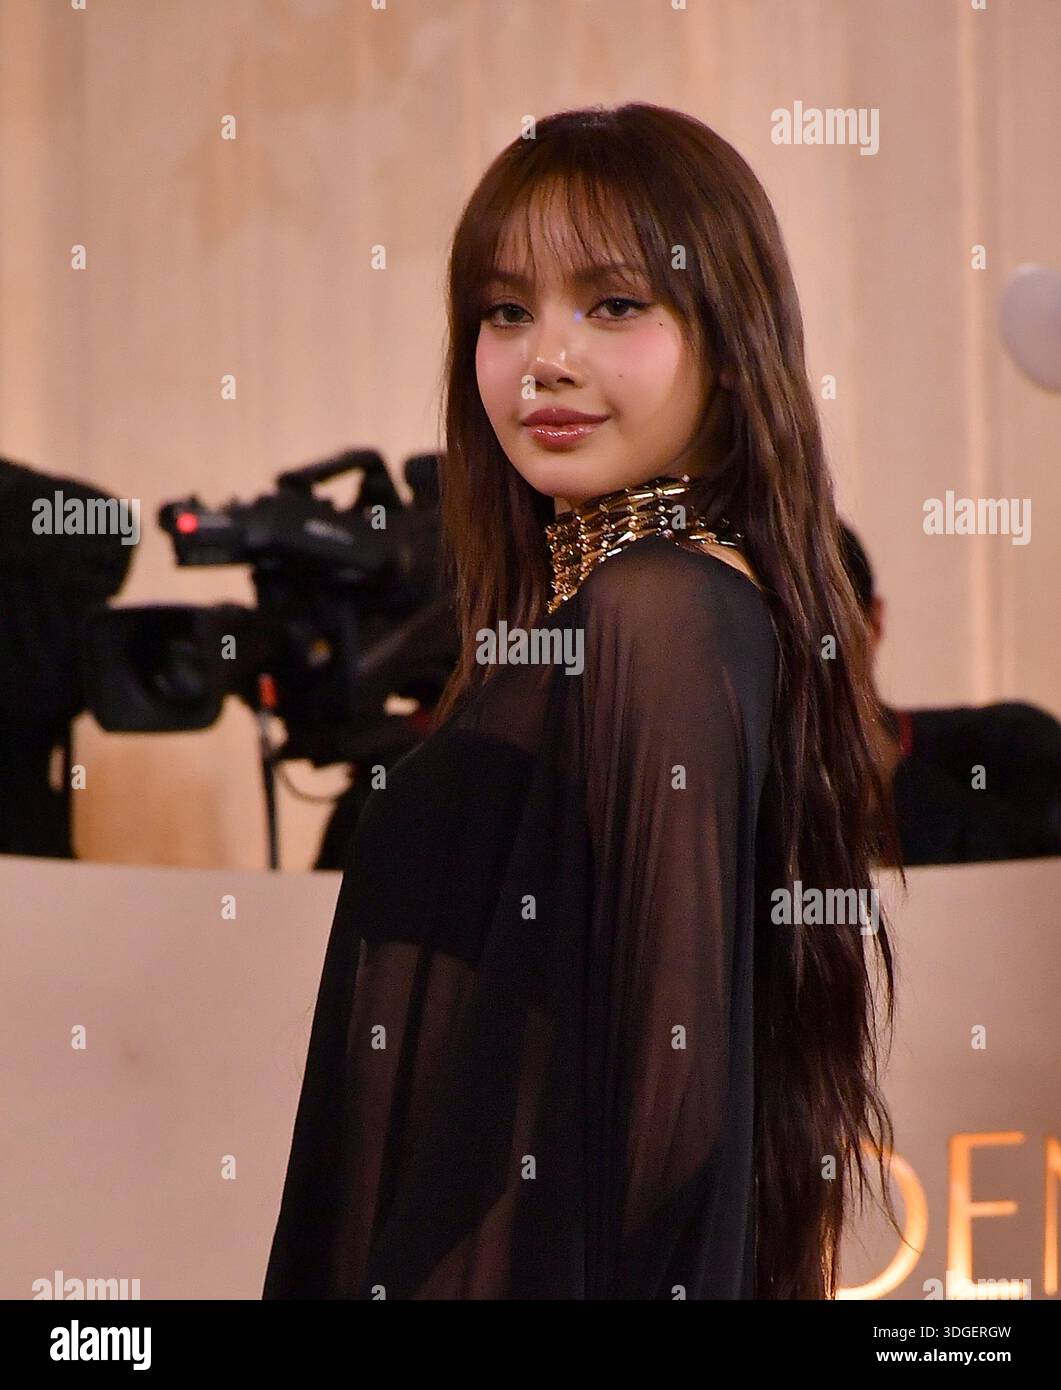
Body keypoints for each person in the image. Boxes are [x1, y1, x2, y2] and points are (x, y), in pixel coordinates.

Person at [262, 103, 902, 1301]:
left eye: (612, 304)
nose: (541, 356)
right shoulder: (584, 626)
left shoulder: (659, 614)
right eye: (504, 310)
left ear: (729, 332)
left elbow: (671, 1129)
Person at [838, 523, 1061, 865]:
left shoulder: (1012, 746)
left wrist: (886, 781)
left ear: (874, 621)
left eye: (828, 630)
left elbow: (1037, 887)